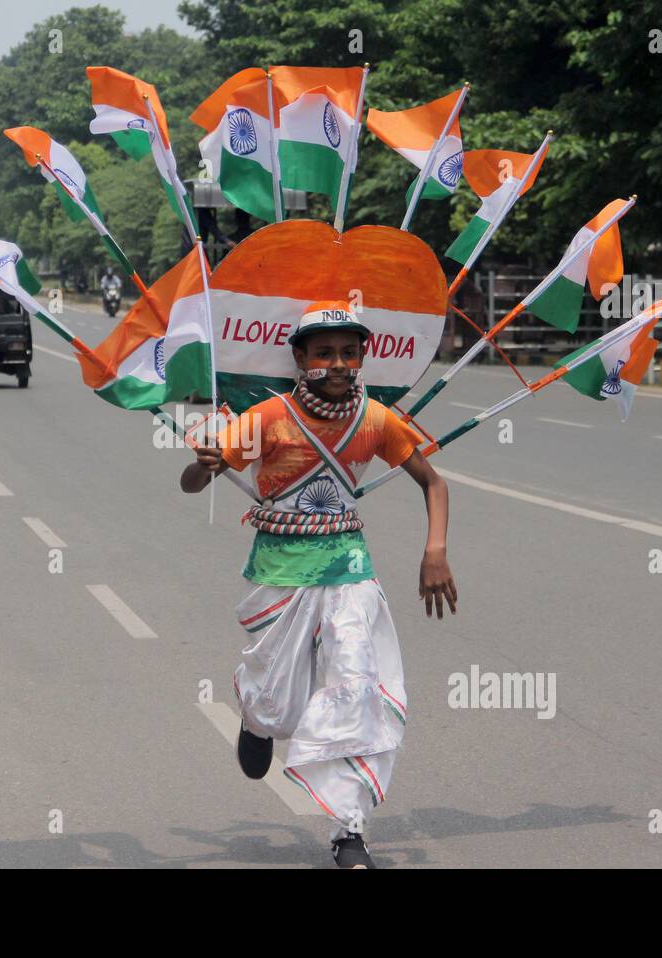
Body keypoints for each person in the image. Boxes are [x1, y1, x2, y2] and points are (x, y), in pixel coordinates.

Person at [180, 301, 459, 869]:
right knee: (278, 704)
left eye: (349, 353)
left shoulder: (377, 420)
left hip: (348, 565)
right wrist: (204, 464)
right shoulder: (266, 419)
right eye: (324, 353)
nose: (338, 363)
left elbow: (433, 482)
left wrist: (435, 551)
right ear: (300, 359)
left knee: (356, 682)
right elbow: (190, 483)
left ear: (362, 358)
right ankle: (257, 719)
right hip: (278, 572)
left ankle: (349, 829)